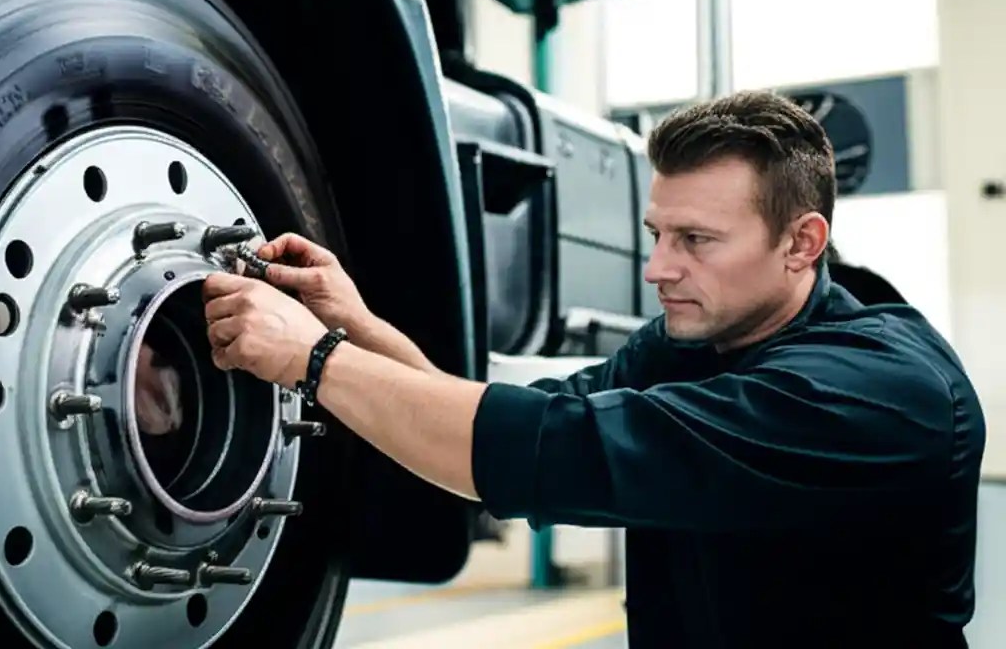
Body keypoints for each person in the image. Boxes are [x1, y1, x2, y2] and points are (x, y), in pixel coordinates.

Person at [200, 90, 985, 647]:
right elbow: (500, 425)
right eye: (657, 233)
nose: (657, 269)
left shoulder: (877, 399)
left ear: (802, 243)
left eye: (696, 241)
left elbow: (543, 450)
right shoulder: (689, 346)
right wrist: (355, 325)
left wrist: (313, 358)